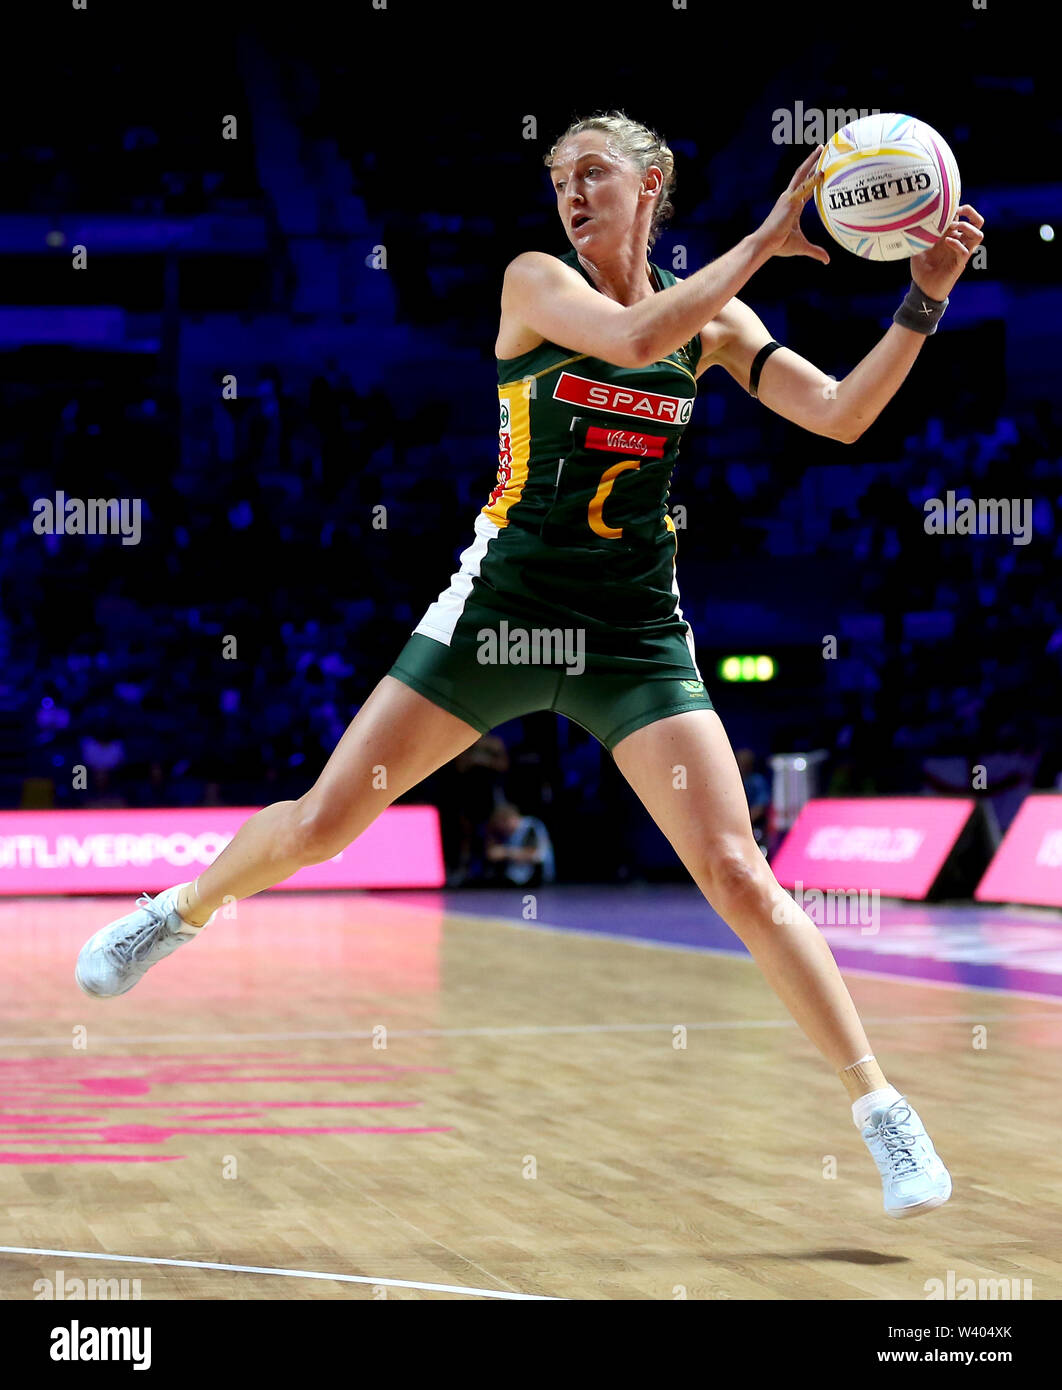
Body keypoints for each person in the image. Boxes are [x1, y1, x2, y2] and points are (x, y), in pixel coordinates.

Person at [76, 110, 984, 1219]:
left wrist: (922, 300)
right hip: (499, 612)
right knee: (322, 823)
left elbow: (841, 416)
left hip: (635, 632)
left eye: (595, 173)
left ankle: (885, 1113)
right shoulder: (536, 282)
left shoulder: (720, 319)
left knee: (742, 874)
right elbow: (644, 337)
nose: (572, 192)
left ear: (653, 184)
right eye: (560, 178)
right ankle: (181, 908)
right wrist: (763, 235)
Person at [484, 802, 555, 887]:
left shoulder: (530, 826)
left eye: (503, 825)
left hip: (537, 875)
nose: (503, 830)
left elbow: (533, 855)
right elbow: (491, 853)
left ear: (511, 818)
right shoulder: (509, 833)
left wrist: (505, 852)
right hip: (516, 876)